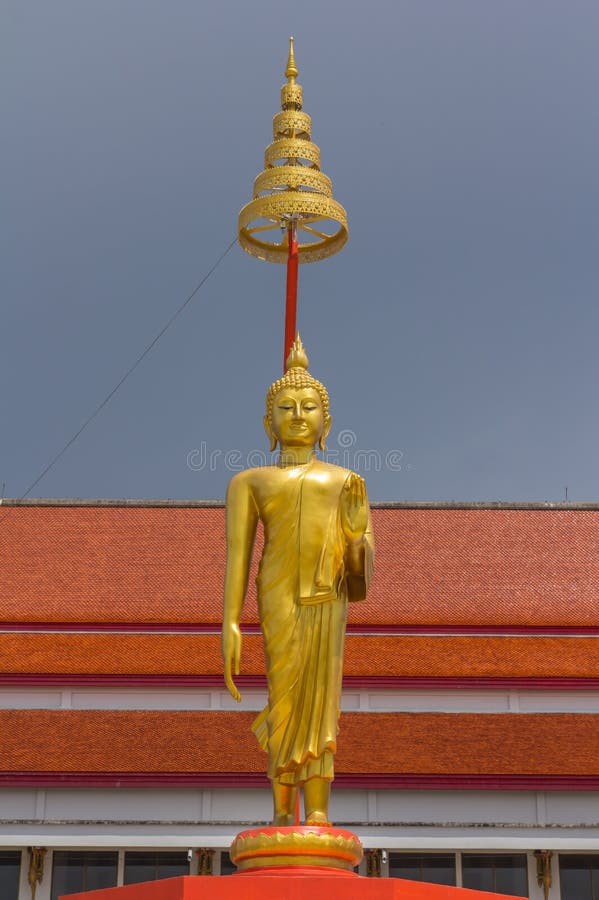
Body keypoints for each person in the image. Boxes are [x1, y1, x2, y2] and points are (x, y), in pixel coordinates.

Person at [222, 336, 374, 827]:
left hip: (326, 597)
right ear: (268, 422)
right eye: (285, 407)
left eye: (309, 407)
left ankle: (320, 811)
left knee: (321, 701)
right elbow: (238, 556)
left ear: (326, 421)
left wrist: (356, 541)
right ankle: (282, 812)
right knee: (283, 697)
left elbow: (361, 576)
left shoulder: (345, 481)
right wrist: (230, 623)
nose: (298, 415)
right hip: (278, 595)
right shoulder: (249, 482)